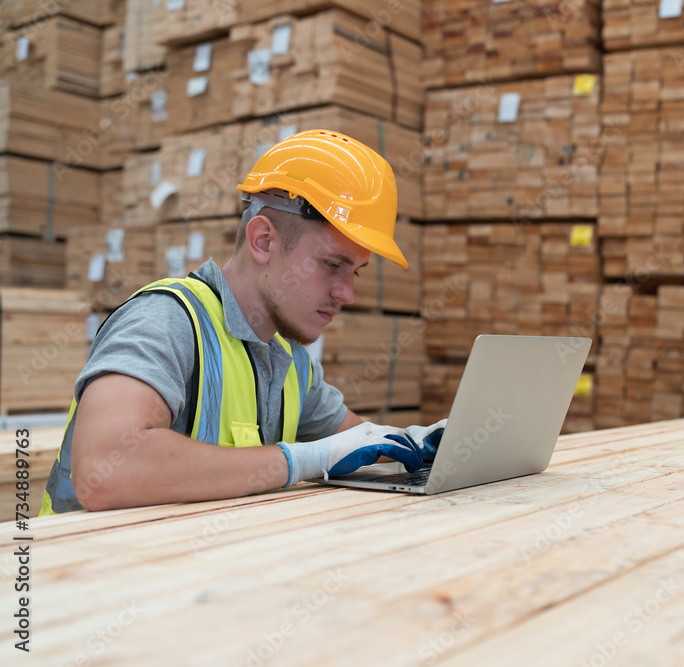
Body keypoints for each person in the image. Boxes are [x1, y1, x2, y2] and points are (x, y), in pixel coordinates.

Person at [41, 130, 444, 515]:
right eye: (332, 264)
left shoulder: (290, 364)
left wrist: (420, 442)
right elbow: (102, 471)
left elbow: (359, 444)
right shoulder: (166, 321)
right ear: (263, 241)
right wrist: (301, 460)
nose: (347, 293)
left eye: (354, 271)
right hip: (82, 576)